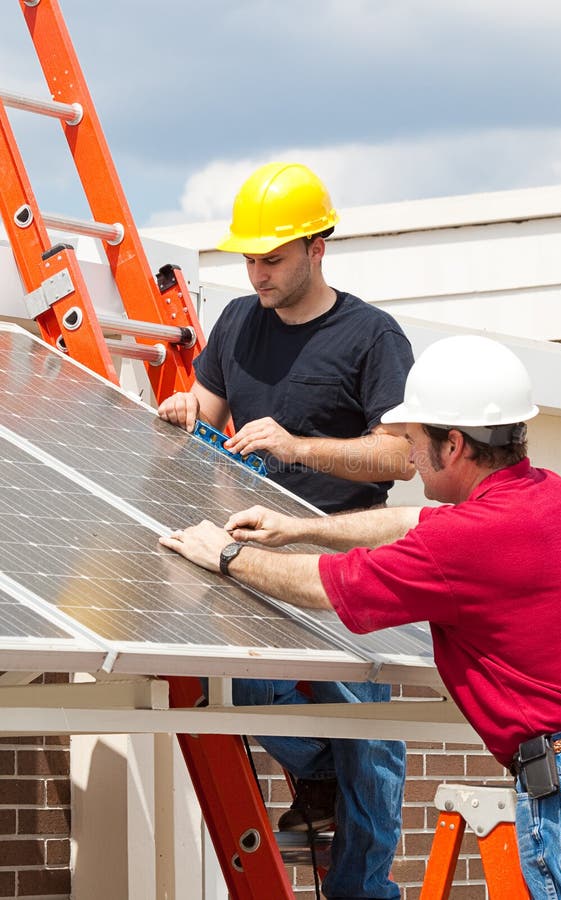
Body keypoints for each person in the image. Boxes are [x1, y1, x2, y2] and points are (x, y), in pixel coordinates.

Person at [161, 334, 561, 900]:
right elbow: (414, 520)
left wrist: (227, 555)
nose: (408, 455)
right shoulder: (556, 498)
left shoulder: (468, 541)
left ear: (454, 444)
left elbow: (327, 585)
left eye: (412, 439)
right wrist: (301, 526)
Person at [158, 162, 415, 900]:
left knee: (367, 731)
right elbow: (204, 418)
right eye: (249, 259)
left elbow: (400, 454)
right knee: (247, 692)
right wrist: (186, 415)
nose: (257, 273)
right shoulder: (238, 322)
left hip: (343, 555)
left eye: (272, 259)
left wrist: (300, 446)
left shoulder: (372, 337)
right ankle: (318, 774)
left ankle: (362, 890)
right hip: (254, 546)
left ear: (317, 247)